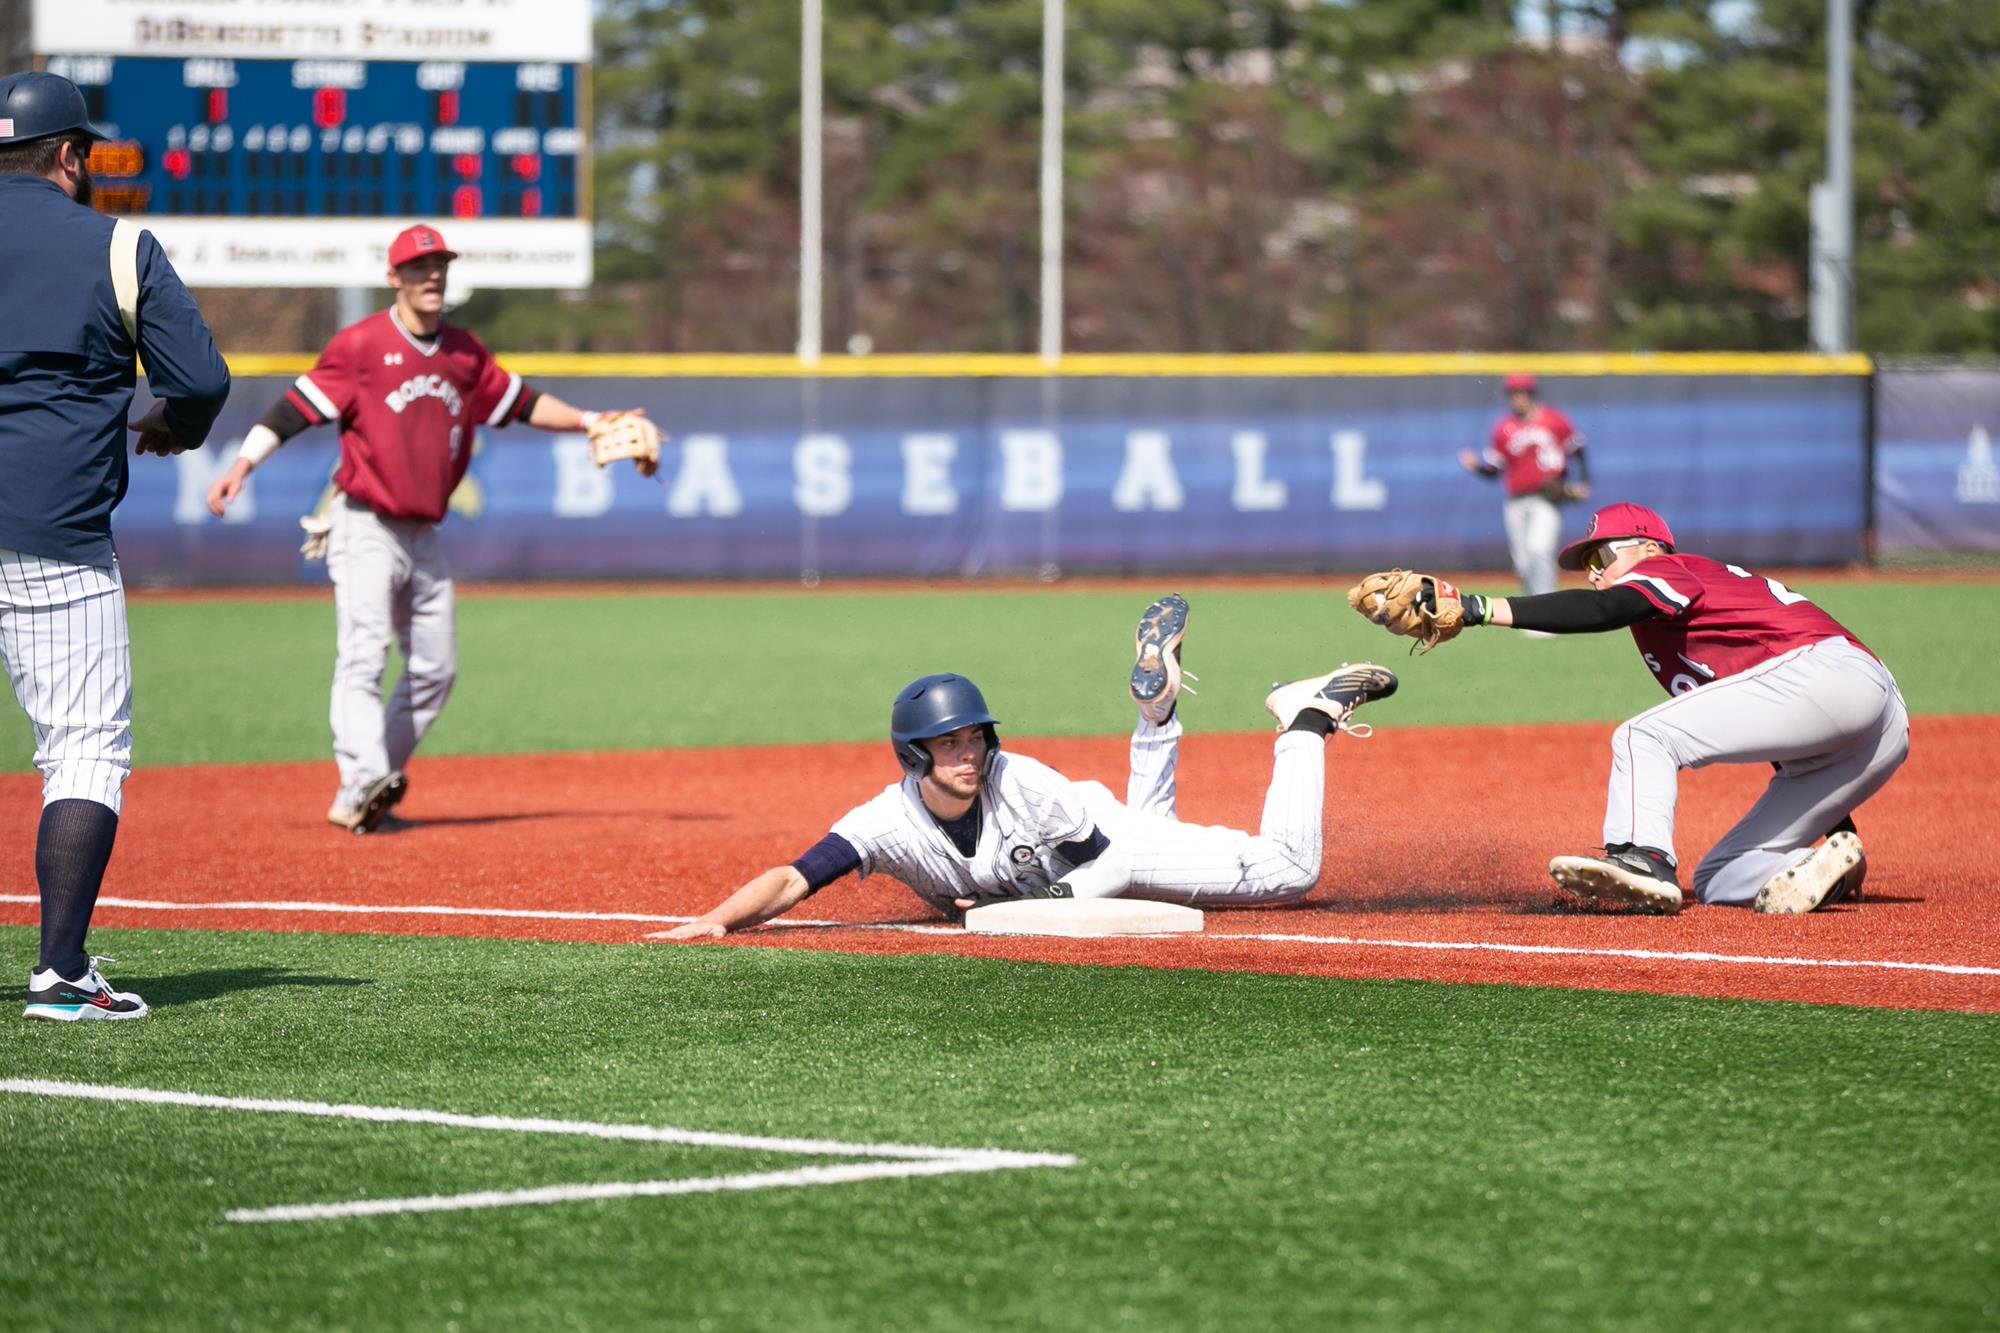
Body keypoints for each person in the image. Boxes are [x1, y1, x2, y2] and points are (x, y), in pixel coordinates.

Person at [205, 223, 656, 834]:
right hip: (363, 523)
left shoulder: (464, 353)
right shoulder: (361, 345)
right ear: (394, 278)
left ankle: (362, 791)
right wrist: (241, 464)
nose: (433, 276)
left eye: (440, 265)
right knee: (363, 656)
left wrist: (592, 421)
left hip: (423, 534)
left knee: (436, 670)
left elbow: (522, 403)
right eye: (419, 268)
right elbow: (294, 408)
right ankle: (365, 777)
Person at [660, 594, 1398, 938]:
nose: (969, 751)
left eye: (976, 736)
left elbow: (1111, 868)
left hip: (1107, 843)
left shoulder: (1023, 780)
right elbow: (795, 875)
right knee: (1150, 821)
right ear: (915, 754)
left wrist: (1011, 915)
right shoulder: (885, 821)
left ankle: (1304, 717)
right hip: (1106, 837)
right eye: (949, 743)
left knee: (1289, 867)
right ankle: (1156, 715)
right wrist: (717, 922)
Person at [0, 72, 232, 1020]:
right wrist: (174, 424)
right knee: (84, 747)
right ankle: (59, 969)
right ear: (70, 156)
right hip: (55, 532)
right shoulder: (117, 242)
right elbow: (202, 379)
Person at [1438, 502, 1906, 915]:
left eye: (1601, 556)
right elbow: (1783, 727)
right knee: (1719, 877)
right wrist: (1834, 826)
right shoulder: (1667, 630)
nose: (1594, 573)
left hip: (1832, 672)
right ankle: (1821, 871)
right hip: (1872, 732)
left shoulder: (1667, 569)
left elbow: (1603, 611)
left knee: (1644, 737)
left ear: (1647, 548)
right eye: (1586, 565)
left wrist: (1478, 607)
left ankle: (1643, 858)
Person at [1459, 372, 1589, 600]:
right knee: (1522, 562)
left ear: (1531, 394)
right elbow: (1494, 471)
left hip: (1547, 497)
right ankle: (1534, 610)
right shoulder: (1503, 428)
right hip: (1516, 500)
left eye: (1522, 393)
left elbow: (1577, 449)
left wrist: (1583, 482)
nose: (1517, 398)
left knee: (1540, 550)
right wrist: (1476, 467)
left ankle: (1548, 609)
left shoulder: (1554, 419)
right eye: (1513, 394)